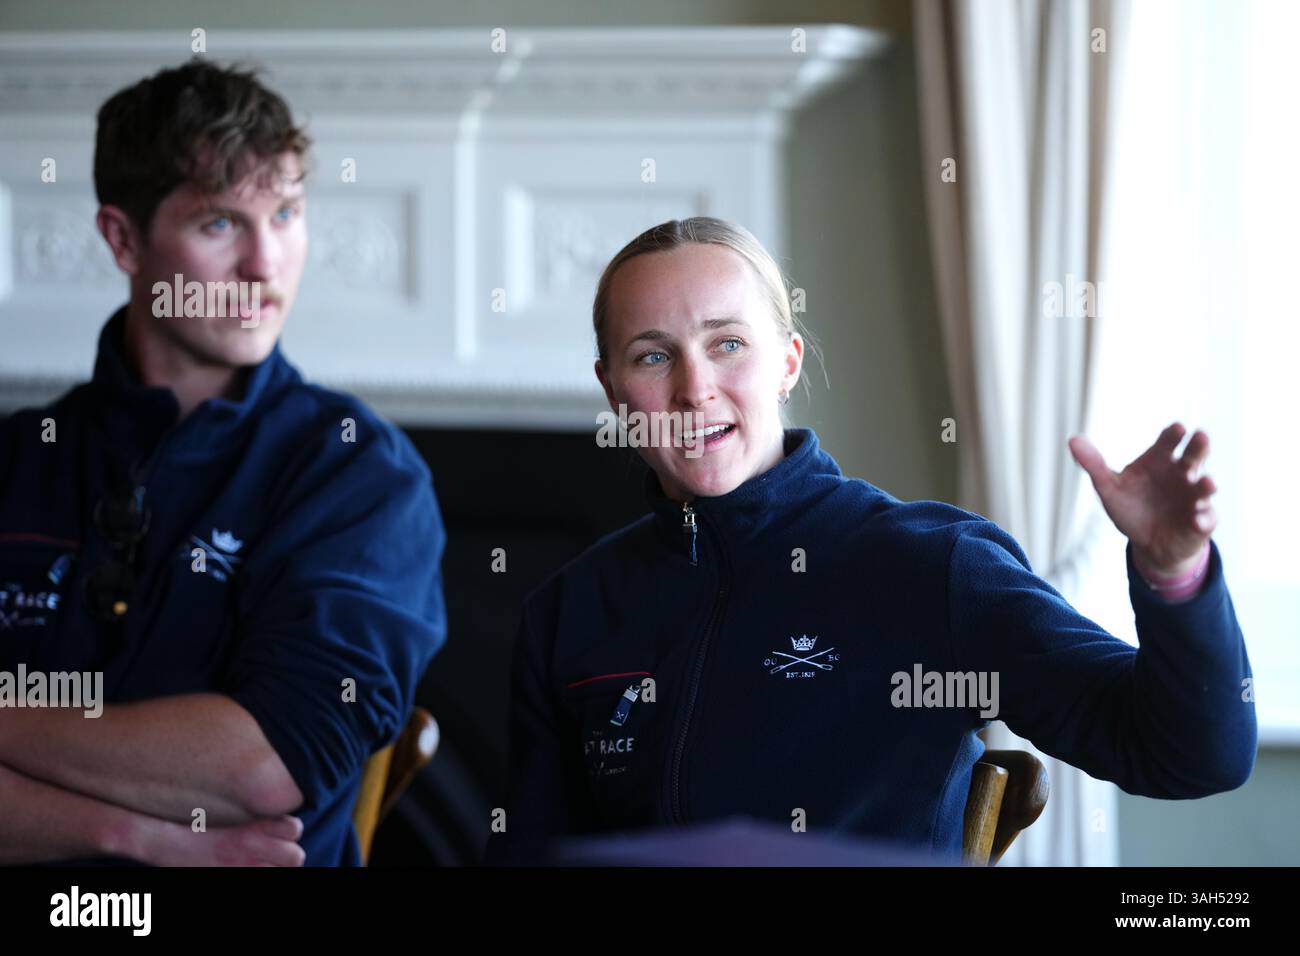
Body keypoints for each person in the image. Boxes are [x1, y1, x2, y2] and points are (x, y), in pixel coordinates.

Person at [489, 216, 1255, 863]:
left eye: (727, 344)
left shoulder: (931, 567)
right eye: (653, 356)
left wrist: (1175, 574)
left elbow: (1189, 754)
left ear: (787, 363)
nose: (695, 389)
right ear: (613, 390)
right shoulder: (571, 610)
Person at [0, 60, 446, 866]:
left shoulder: (358, 473)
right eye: (219, 224)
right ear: (123, 238)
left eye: (286, 213)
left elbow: (268, 765)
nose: (265, 266)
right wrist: (129, 835)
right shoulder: (18, 459)